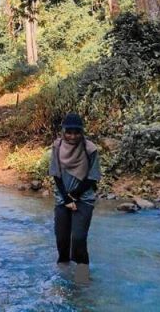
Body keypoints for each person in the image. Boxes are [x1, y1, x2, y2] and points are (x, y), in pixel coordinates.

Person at [48, 112, 101, 281]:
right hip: (62, 198)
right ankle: (63, 280)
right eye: (69, 132)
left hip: (84, 198)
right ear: (63, 131)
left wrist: (74, 196)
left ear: (82, 132)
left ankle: (82, 278)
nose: (72, 136)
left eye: (76, 132)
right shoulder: (56, 147)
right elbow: (56, 174)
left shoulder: (90, 149)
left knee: (78, 239)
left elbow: (93, 178)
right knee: (61, 239)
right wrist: (67, 198)